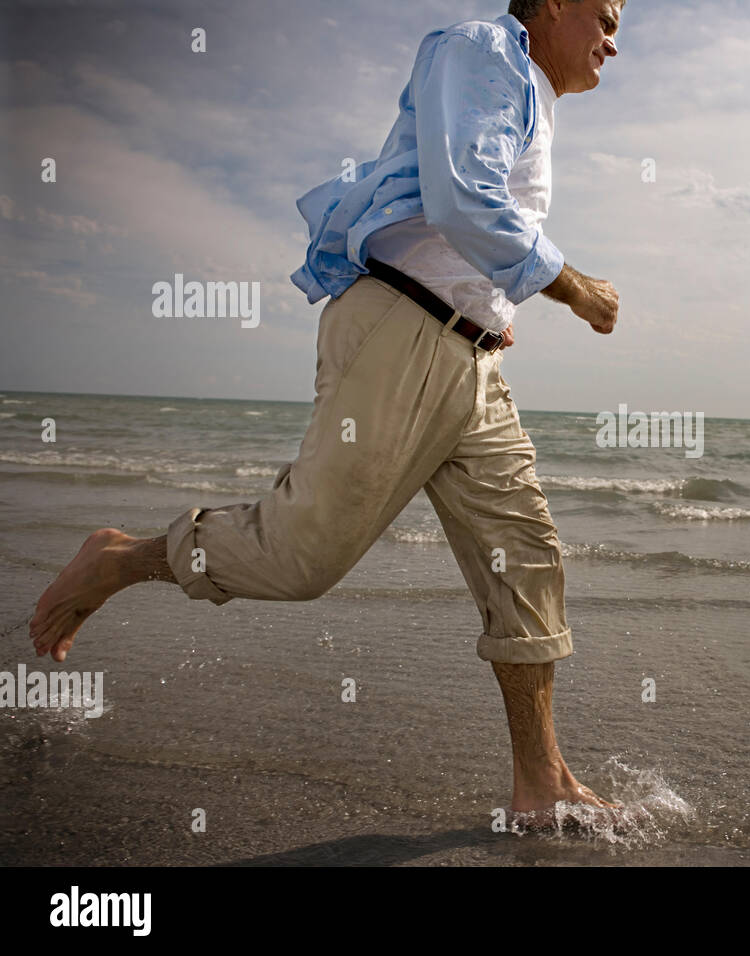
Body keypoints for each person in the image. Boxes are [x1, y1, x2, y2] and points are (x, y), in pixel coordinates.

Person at [28, 0, 626, 826]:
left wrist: (488, 304)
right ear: (554, 4)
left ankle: (542, 782)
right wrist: (576, 288)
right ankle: (122, 559)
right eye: (606, 14)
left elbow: (463, 220)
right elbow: (463, 198)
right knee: (297, 560)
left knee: (525, 563)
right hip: (403, 332)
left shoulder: (530, 93)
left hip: (471, 355)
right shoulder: (484, 50)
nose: (614, 40)